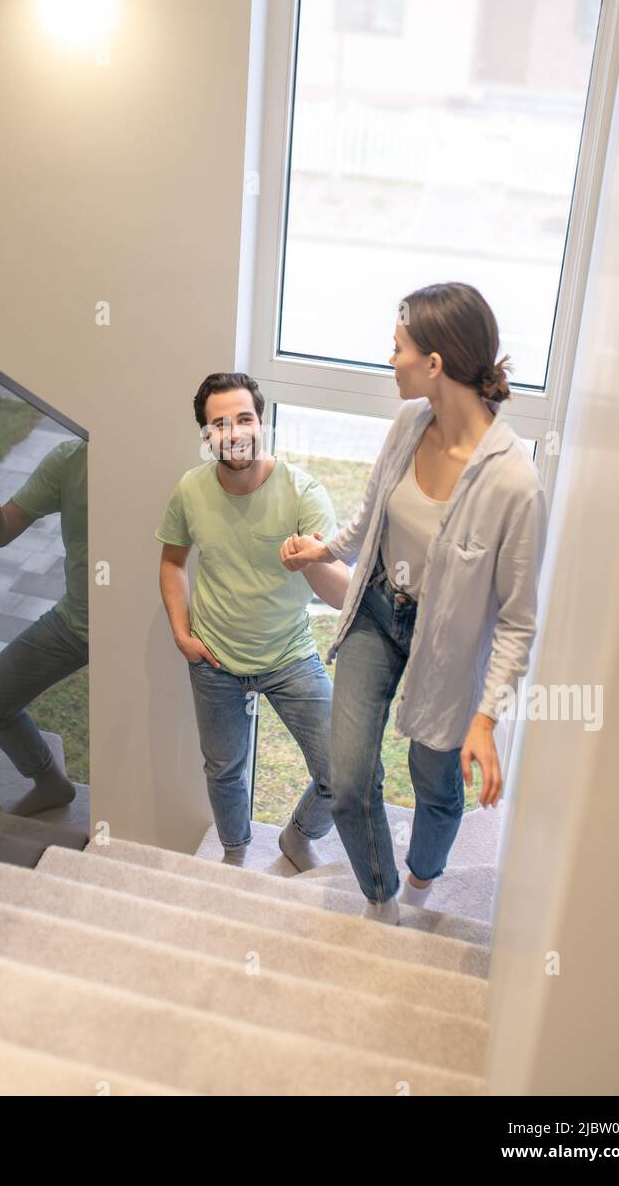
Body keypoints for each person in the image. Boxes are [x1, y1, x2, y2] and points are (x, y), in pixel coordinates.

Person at [281, 283, 548, 922]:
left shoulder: (515, 483)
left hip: (448, 650)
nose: (389, 358)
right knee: (346, 779)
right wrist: (323, 552)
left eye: (398, 347)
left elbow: (516, 622)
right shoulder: (408, 424)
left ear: (435, 363)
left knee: (435, 782)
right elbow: (371, 517)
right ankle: (382, 897)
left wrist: (484, 719)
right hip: (377, 611)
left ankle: (425, 875)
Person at [155, 372, 350, 868]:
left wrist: (313, 561)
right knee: (224, 771)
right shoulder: (191, 490)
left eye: (244, 419)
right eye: (219, 424)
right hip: (215, 660)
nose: (235, 432)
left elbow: (338, 596)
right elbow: (172, 561)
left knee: (344, 769)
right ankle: (235, 855)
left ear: (262, 423)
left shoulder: (305, 493)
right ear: (206, 437)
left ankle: (298, 838)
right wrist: (181, 634)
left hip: (289, 654)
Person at [0, 437, 87, 816]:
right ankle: (49, 781)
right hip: (75, 623)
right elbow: (0, 534)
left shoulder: (159, 461)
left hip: (137, 634)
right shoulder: (69, 460)